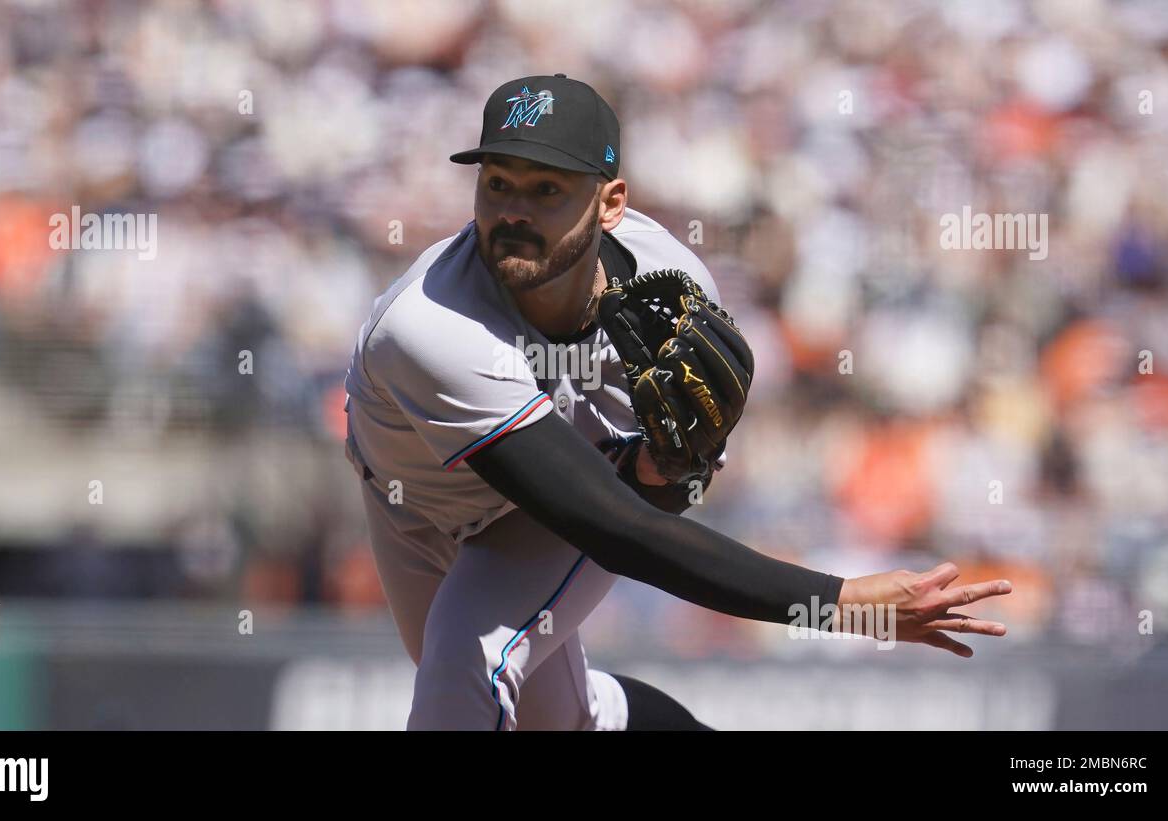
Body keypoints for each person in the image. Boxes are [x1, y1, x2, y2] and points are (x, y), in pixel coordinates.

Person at [343, 75, 1012, 730]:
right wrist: (840, 603)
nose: (513, 211)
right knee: (559, 719)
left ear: (610, 204)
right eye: (497, 184)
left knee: (465, 662)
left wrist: (667, 473)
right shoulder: (431, 324)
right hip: (415, 509)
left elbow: (644, 504)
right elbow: (619, 530)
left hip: (558, 509)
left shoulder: (673, 293)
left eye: (546, 188)